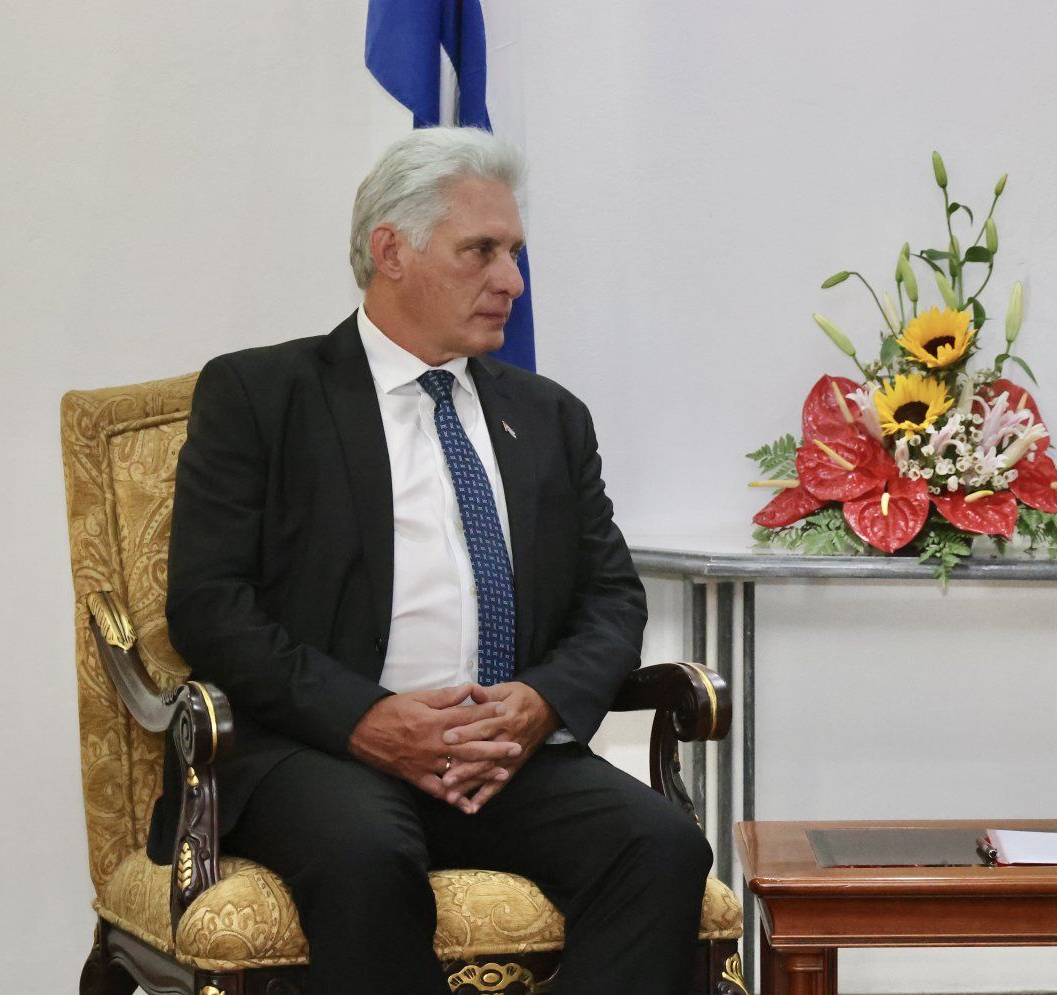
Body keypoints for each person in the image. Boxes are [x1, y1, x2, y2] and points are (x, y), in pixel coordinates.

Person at [161, 126, 711, 994]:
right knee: (365, 854)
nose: (511, 282)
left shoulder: (549, 416)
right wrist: (368, 718)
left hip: (509, 754)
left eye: (515, 253)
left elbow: (611, 598)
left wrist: (539, 705)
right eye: (481, 251)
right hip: (323, 754)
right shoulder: (262, 396)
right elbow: (208, 604)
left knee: (662, 846)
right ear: (392, 251)